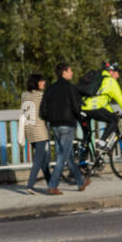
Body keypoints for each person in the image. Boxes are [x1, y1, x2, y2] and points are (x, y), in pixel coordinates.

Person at [39, 63, 88, 195]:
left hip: (54, 125)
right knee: (62, 155)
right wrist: (81, 118)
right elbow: (76, 107)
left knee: (68, 155)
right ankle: (52, 185)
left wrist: (49, 118)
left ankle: (80, 182)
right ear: (64, 72)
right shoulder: (70, 88)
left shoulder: (50, 89)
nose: (72, 73)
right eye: (70, 71)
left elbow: (42, 109)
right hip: (67, 124)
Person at [79, 60, 122, 150]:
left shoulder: (98, 78)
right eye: (117, 73)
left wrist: (111, 112)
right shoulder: (111, 82)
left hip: (82, 107)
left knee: (87, 135)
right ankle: (101, 143)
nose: (118, 76)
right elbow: (121, 101)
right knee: (114, 120)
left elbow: (103, 102)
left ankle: (82, 160)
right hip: (94, 108)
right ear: (111, 72)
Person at [18, 73, 52, 194]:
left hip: (30, 130)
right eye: (42, 81)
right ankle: (30, 185)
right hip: (40, 131)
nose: (44, 83)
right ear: (36, 82)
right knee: (38, 160)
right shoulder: (40, 95)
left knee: (42, 160)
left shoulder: (24, 95)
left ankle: (51, 184)